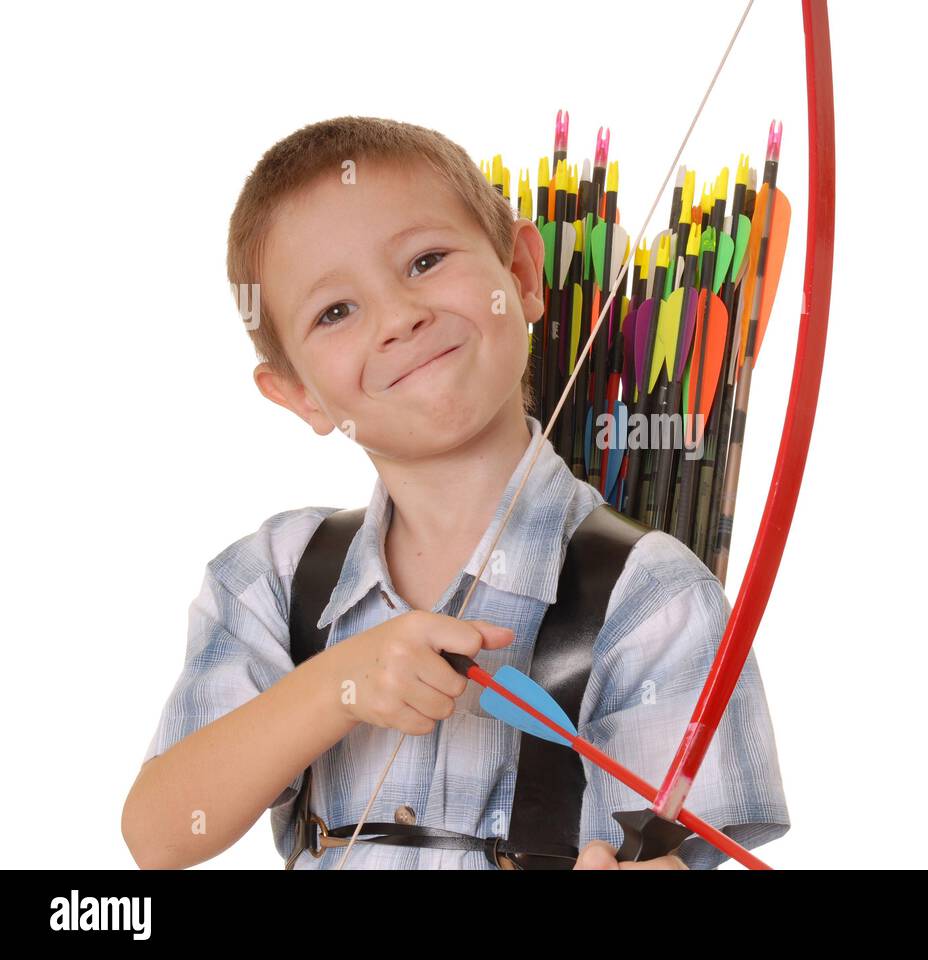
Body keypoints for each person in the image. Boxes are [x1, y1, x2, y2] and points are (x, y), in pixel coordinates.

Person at [121, 116, 789, 870]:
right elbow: (162, 833)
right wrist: (339, 684)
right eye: (335, 312)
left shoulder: (651, 595)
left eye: (426, 260)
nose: (400, 318)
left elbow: (668, 851)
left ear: (523, 276)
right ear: (299, 396)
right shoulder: (275, 577)